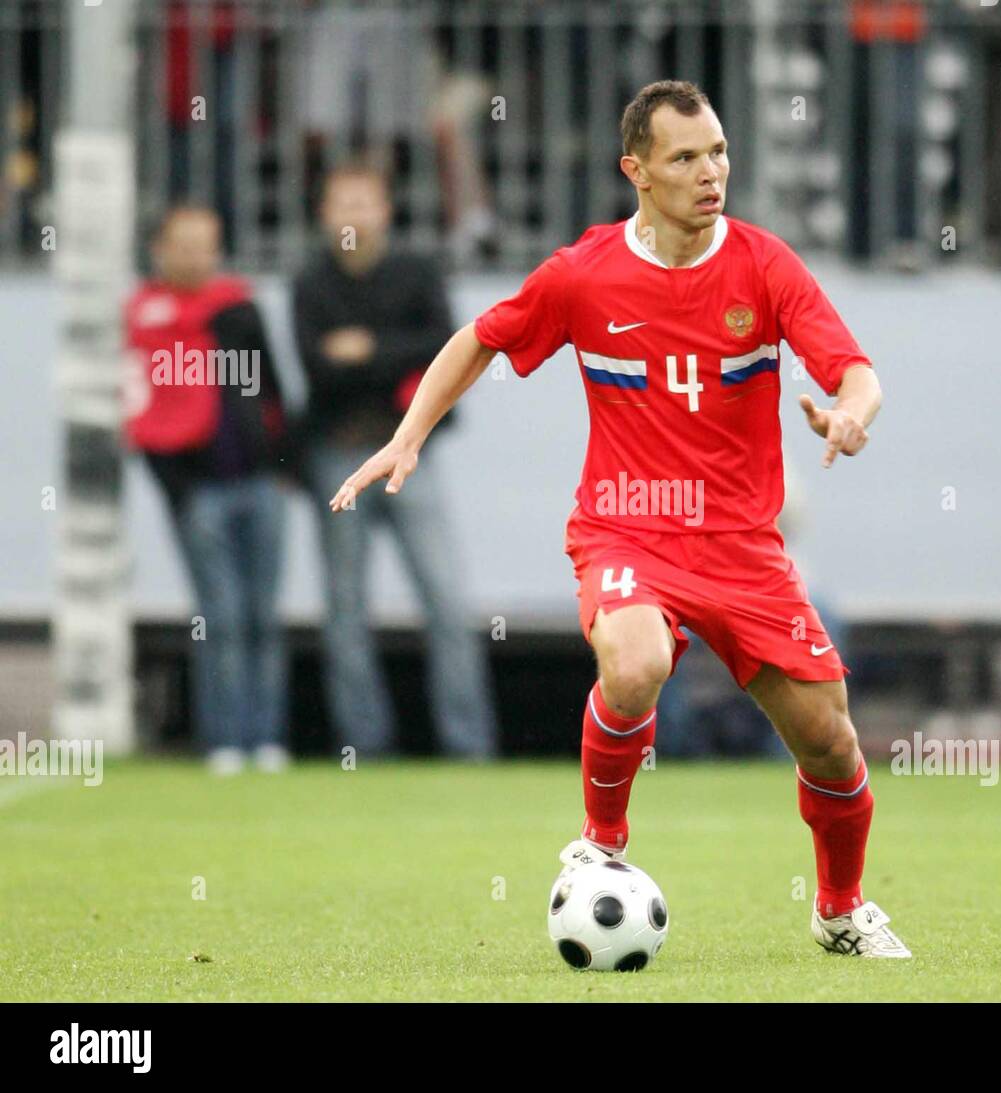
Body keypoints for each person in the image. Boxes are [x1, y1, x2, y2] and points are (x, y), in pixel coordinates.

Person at [329, 82, 907, 958]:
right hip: (627, 526)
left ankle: (840, 908)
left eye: (718, 151)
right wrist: (409, 436)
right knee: (635, 665)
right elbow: (481, 337)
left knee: (830, 740)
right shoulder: (584, 273)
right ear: (636, 170)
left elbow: (855, 371)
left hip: (743, 547)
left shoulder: (765, 266)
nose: (711, 172)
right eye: (686, 158)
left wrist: (851, 414)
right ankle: (601, 840)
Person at [293, 164, 498, 758]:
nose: (354, 215)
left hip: (410, 457)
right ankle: (363, 747)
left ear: (386, 210)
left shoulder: (416, 272)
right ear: (324, 214)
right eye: (343, 202)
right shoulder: (311, 282)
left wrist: (367, 349)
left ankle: (469, 747)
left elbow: (447, 352)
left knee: (447, 602)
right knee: (345, 610)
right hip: (339, 457)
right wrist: (394, 362)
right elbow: (317, 369)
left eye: (365, 201)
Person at [124, 206, 289, 775]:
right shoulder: (145, 319)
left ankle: (266, 739)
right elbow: (142, 410)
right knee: (219, 616)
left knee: (263, 615)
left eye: (207, 244)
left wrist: (281, 465)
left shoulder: (237, 309)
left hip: (258, 483)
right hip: (200, 492)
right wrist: (178, 491)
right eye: (185, 244)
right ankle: (222, 740)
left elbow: (270, 390)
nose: (197, 255)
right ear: (160, 250)